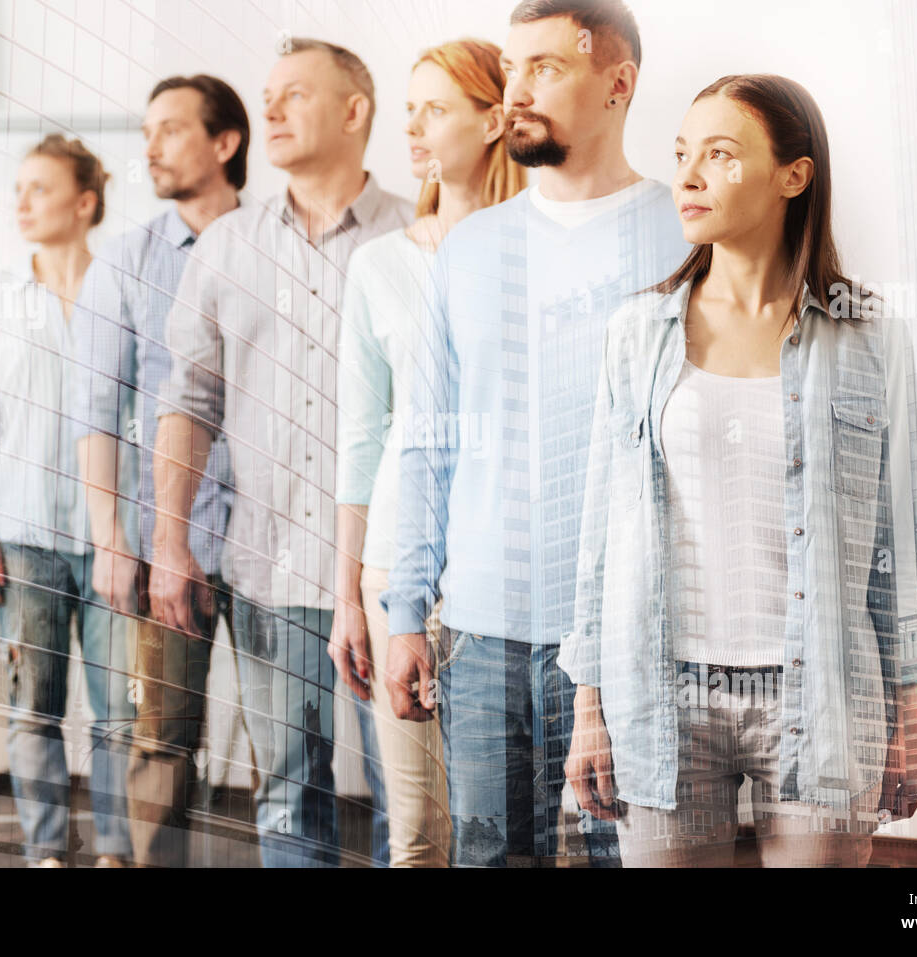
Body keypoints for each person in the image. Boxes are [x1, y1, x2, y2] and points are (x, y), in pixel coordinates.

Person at [561, 73, 917, 867]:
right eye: (681, 154)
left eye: (721, 155)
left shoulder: (871, 338)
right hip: (659, 697)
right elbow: (601, 535)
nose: (688, 176)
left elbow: (898, 539)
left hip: (826, 700)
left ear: (793, 176)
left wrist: (909, 714)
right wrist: (588, 708)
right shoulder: (636, 334)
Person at [380, 0, 689, 866]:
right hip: (480, 638)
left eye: (546, 67)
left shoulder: (688, 235)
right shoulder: (469, 250)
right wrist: (406, 613)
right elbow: (427, 441)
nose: (517, 90)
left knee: (624, 858)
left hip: (637, 639)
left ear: (618, 83)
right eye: (512, 68)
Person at [152, 39, 412, 867]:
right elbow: (188, 403)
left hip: (397, 580)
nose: (270, 110)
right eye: (266, 96)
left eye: (293, 94)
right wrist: (169, 540)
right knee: (288, 795)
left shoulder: (419, 238)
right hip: (266, 569)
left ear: (353, 110)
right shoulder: (228, 247)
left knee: (410, 803)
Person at [330, 38, 527, 867]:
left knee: (513, 833)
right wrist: (346, 594)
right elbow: (361, 436)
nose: (410, 129)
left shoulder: (537, 254)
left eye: (433, 110)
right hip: (393, 576)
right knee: (417, 833)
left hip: (508, 571)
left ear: (493, 119)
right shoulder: (378, 265)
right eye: (406, 110)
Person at [69, 74, 250, 867]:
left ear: (225, 142)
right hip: (172, 542)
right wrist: (112, 536)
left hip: (284, 544)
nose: (150, 146)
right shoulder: (126, 261)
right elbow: (96, 414)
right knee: (163, 742)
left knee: (292, 749)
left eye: (171, 129)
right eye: (148, 130)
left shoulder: (282, 250)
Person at [0, 135, 132, 867]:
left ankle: (119, 852)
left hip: (114, 542)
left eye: (38, 188)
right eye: (16, 189)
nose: (19, 203)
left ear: (85, 203)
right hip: (23, 538)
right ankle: (46, 853)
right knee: (34, 710)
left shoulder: (125, 296)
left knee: (121, 715)